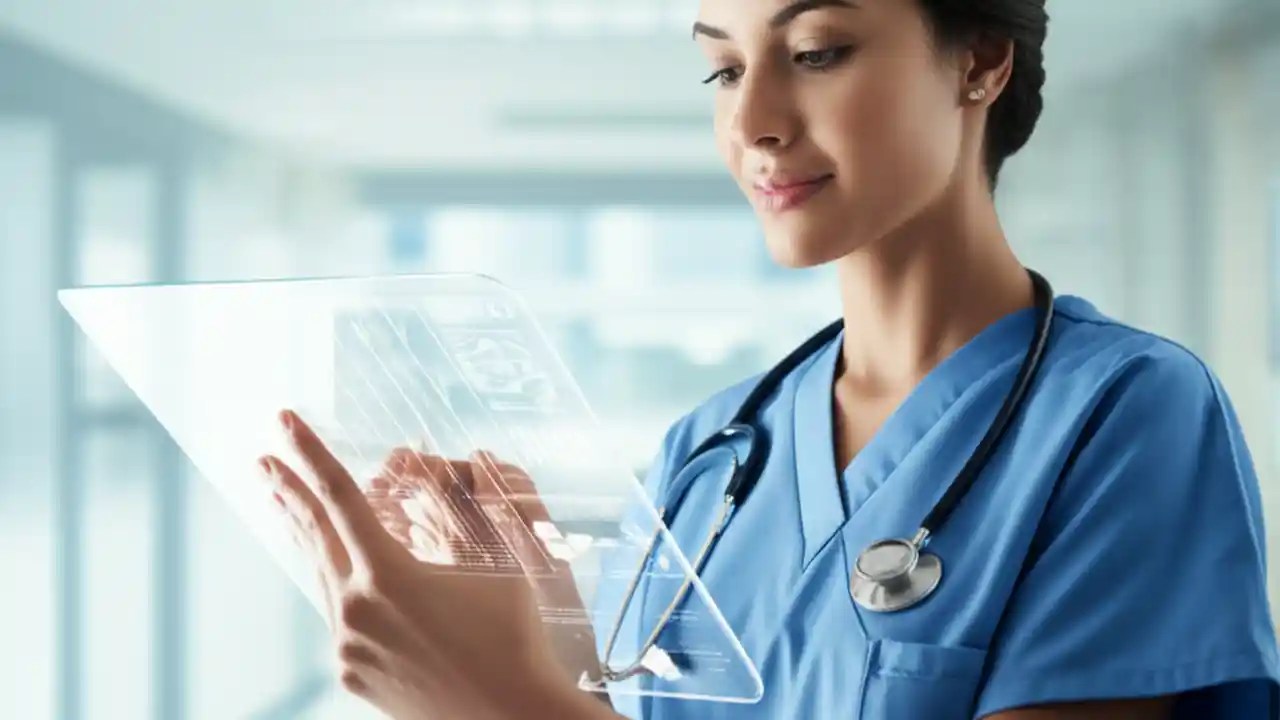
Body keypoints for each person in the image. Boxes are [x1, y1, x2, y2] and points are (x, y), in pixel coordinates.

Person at [256, 0, 1280, 717]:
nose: (750, 122)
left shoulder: (1124, 415)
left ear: (978, 60)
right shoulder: (704, 456)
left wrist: (509, 709)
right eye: (723, 66)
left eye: (818, 49)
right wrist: (541, 630)